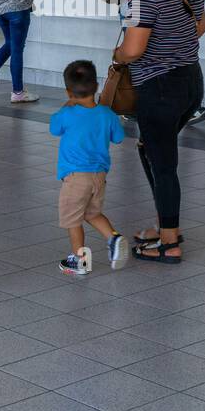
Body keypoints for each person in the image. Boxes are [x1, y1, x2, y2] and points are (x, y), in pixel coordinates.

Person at [113, 0, 205, 264]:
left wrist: (119, 54)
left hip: (160, 88)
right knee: (150, 151)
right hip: (191, 83)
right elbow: (200, 28)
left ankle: (170, 243)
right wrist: (173, 46)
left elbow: (134, 50)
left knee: (163, 164)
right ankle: (164, 224)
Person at [51, 60, 127, 277]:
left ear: (68, 91)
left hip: (75, 177)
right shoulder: (107, 114)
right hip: (99, 176)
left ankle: (80, 260)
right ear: (96, 86)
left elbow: (54, 129)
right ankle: (113, 238)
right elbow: (119, 138)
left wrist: (65, 107)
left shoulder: (66, 114)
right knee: (92, 213)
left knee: (73, 219)